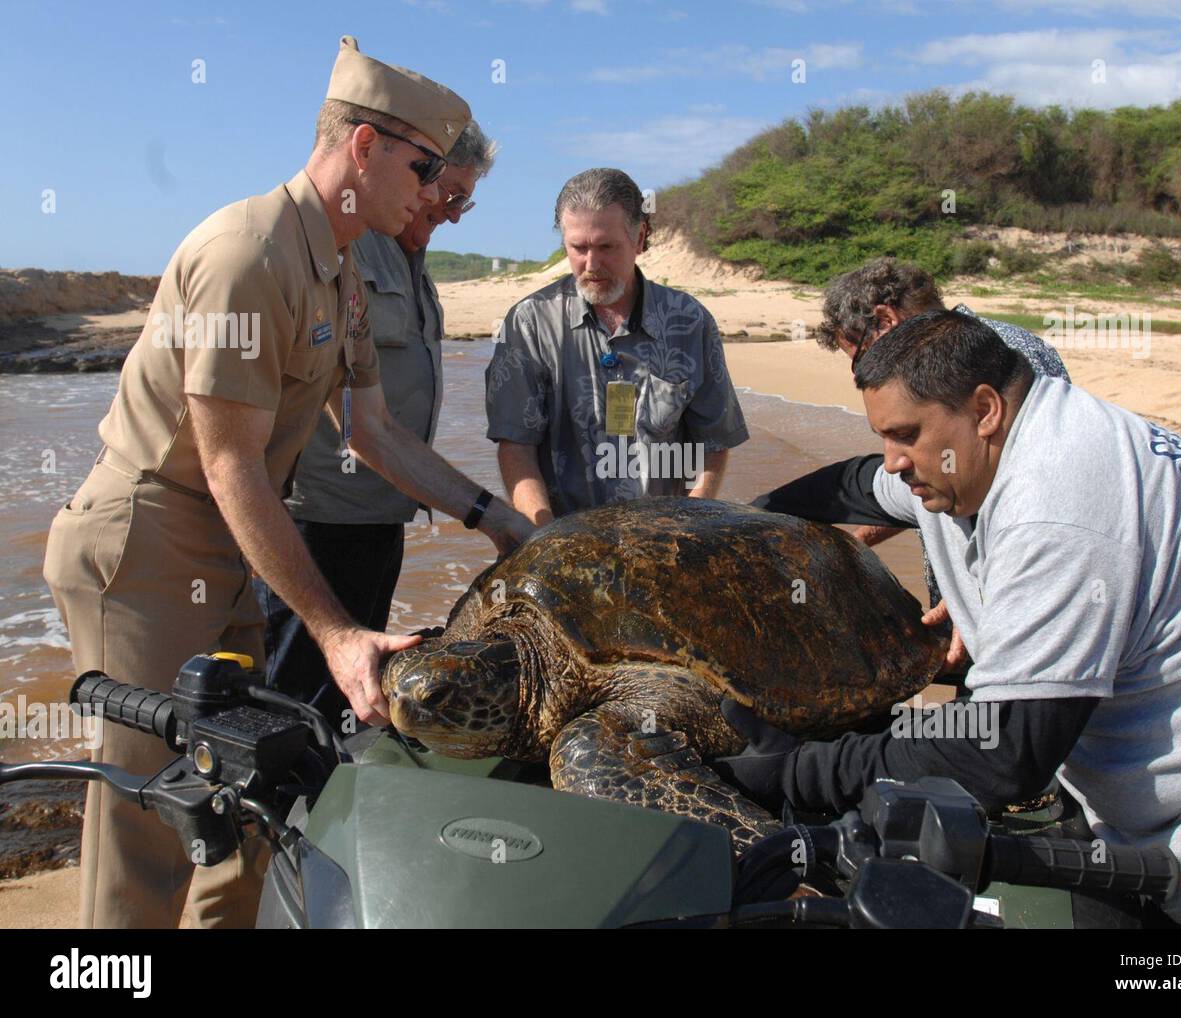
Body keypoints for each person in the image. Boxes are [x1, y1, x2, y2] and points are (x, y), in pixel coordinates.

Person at [42, 36, 531, 929]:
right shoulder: (247, 253)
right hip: (148, 539)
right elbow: (230, 463)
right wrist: (339, 634)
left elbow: (372, 432)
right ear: (365, 146)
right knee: (150, 817)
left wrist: (494, 517)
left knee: (252, 782)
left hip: (230, 543)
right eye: (424, 168)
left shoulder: (339, 264)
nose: (434, 193)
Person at [654, 309, 1181, 928]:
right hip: (1123, 800)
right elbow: (852, 484)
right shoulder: (974, 455)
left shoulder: (1060, 502)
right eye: (884, 435)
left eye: (906, 435)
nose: (893, 460)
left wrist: (797, 769)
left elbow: (1005, 754)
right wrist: (729, 524)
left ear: (986, 410)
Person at [255, 121, 496, 731]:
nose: (457, 214)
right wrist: (490, 514)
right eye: (452, 195)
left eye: (468, 200)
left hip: (382, 516)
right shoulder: (350, 250)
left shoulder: (415, 263)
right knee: (294, 709)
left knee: (350, 698)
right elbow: (365, 426)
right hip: (316, 523)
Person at [753, 258, 1070, 671]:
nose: (867, 375)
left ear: (885, 320)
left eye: (859, 358)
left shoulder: (1000, 351)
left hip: (1017, 608)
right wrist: (856, 541)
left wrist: (983, 595)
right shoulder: (942, 364)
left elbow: (1039, 488)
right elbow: (927, 483)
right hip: (973, 607)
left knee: (1003, 728)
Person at [486, 167, 749, 524]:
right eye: (578, 248)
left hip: (664, 541)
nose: (591, 265)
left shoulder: (691, 322)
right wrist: (543, 537)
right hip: (565, 543)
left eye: (607, 247)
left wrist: (690, 522)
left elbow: (713, 443)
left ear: (639, 238)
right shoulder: (527, 324)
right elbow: (516, 445)